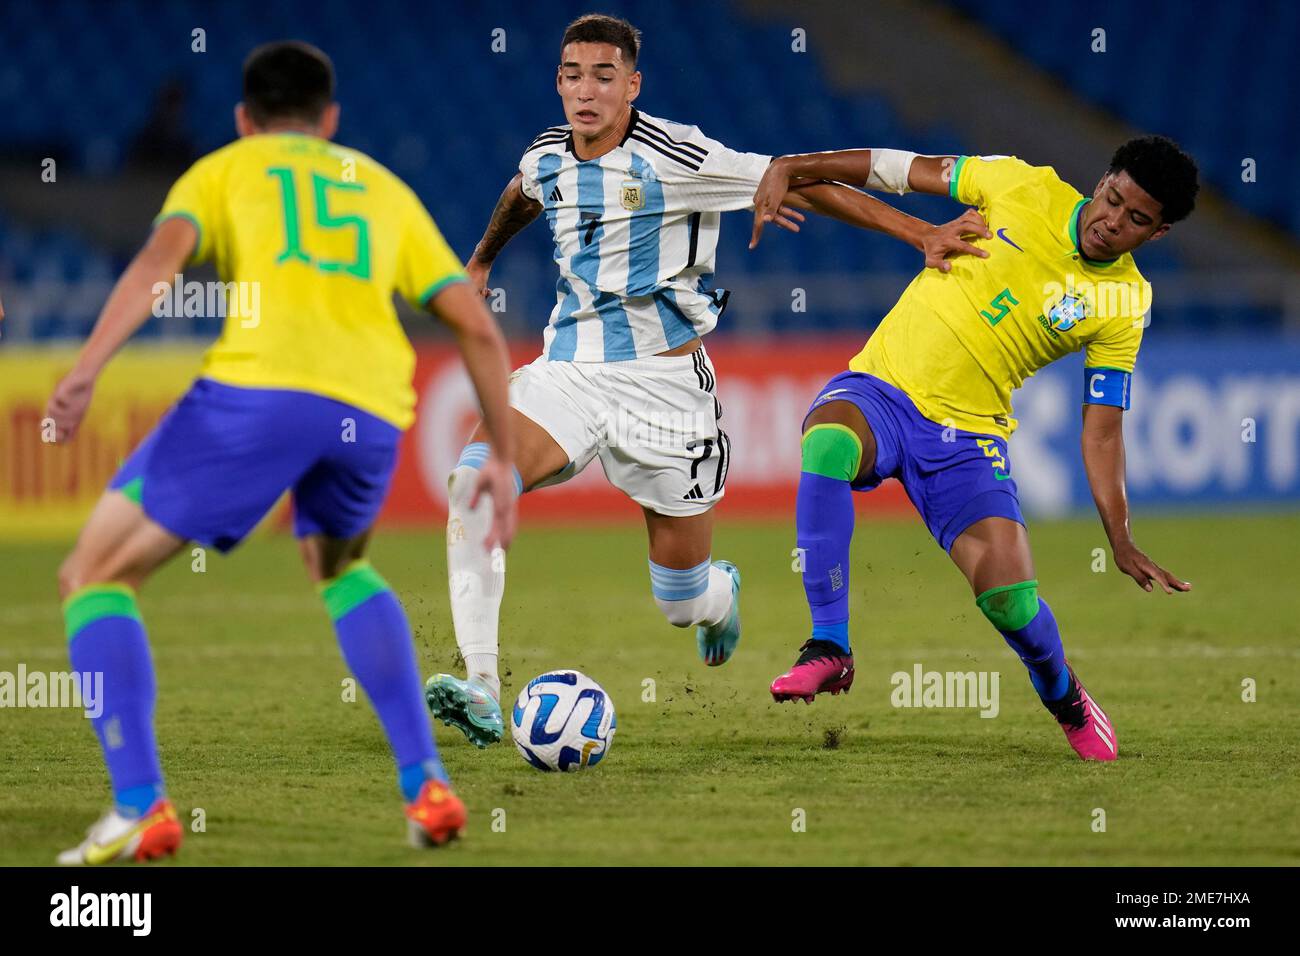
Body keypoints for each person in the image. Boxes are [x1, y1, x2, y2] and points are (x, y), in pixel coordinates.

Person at [425, 13, 989, 748]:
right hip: (566, 372)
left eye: (604, 76)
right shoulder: (547, 153)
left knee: (681, 601)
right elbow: (526, 191)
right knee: (474, 483)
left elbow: (802, 180)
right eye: (572, 75)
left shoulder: (678, 154)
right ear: (557, 83)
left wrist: (920, 233)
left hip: (667, 395)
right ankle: (478, 683)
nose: (586, 91)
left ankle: (717, 598)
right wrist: (481, 261)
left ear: (633, 84)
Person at [46, 41, 516, 863]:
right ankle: (425, 783)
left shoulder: (226, 169)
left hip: (258, 397)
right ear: (330, 119)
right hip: (371, 410)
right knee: (338, 566)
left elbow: (160, 264)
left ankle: (137, 806)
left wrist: (87, 369)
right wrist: (503, 459)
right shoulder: (381, 186)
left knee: (90, 576)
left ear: (243, 118)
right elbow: (475, 324)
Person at [753, 136, 1199, 760]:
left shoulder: (1124, 302)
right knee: (826, 443)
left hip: (968, 438)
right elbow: (894, 170)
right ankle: (830, 644)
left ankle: (1064, 694)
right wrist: (793, 163)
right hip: (882, 389)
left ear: (1159, 233)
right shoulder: (1021, 184)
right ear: (1102, 181)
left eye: (1136, 220)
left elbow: (1101, 428)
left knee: (1011, 603)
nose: (1112, 221)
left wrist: (1119, 536)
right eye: (1113, 199)